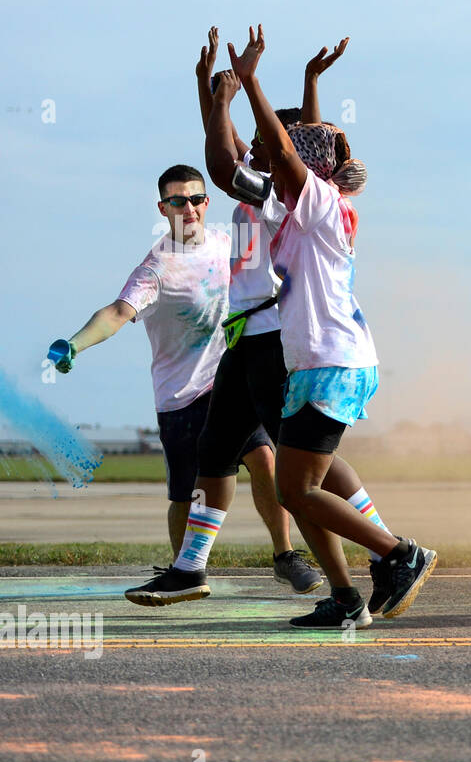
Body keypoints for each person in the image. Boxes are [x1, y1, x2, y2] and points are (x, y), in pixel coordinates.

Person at [224, 25, 437, 629]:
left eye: (283, 153)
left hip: (332, 363)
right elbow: (301, 148)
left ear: (308, 168)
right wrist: (308, 85)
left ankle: (399, 554)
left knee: (300, 489)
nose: (268, 157)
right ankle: (346, 601)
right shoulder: (307, 206)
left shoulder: (315, 203)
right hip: (316, 362)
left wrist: (253, 83)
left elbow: (293, 151)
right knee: (298, 488)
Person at [49, 165, 298, 606]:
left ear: (208, 203)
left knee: (264, 458)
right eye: (177, 200)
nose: (188, 208)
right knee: (187, 494)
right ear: (162, 208)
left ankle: (285, 555)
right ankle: (185, 569)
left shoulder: (228, 246)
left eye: (196, 199)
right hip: (180, 396)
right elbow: (117, 312)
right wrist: (75, 344)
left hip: (231, 381)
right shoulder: (156, 268)